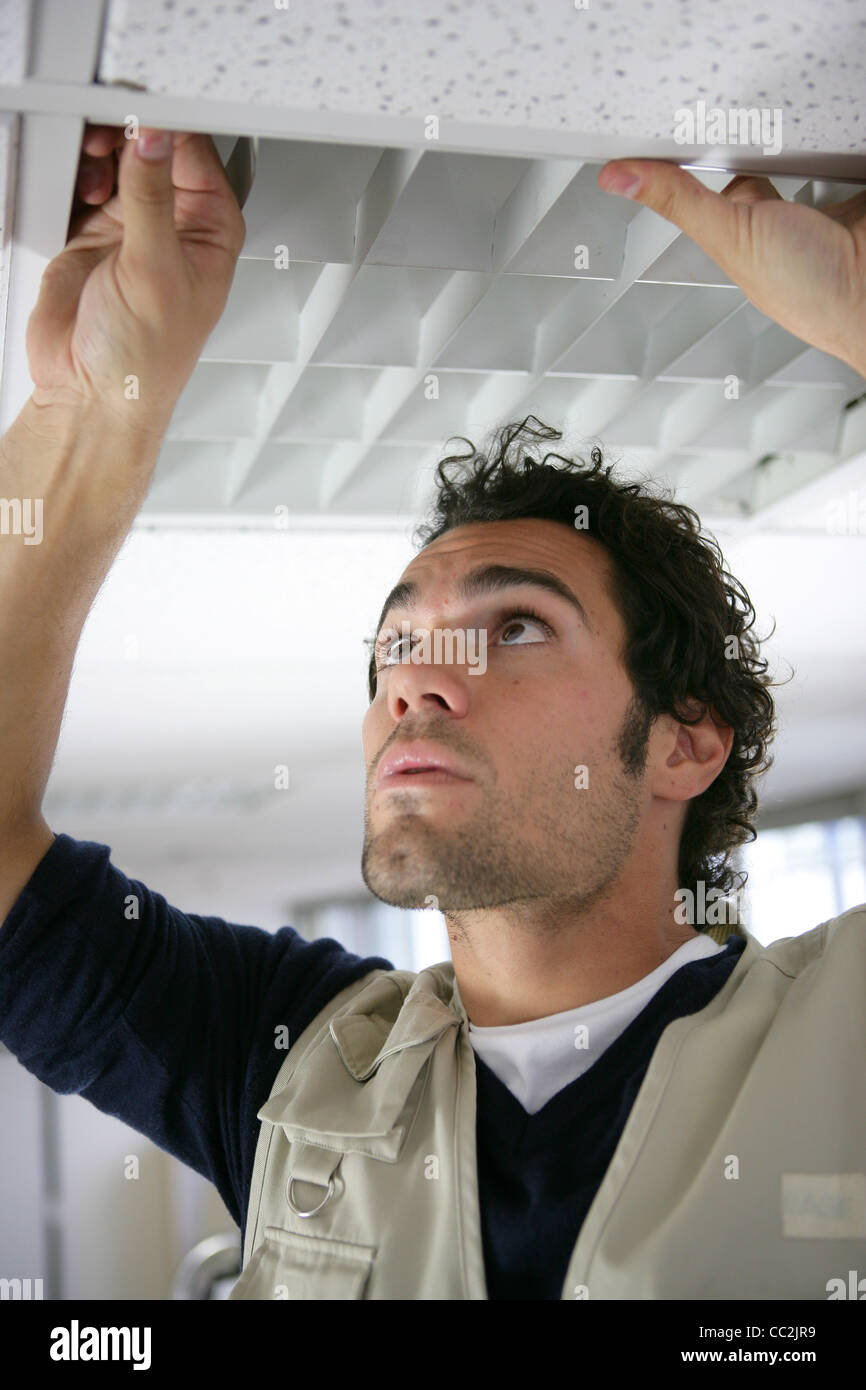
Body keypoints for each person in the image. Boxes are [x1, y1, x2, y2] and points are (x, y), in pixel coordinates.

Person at [0, 126, 864, 1301]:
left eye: (513, 628)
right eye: (395, 644)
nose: (412, 679)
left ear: (684, 738)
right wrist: (87, 414)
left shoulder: (838, 1035)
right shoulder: (290, 1054)